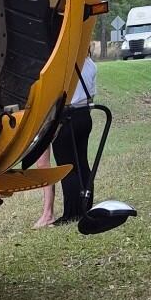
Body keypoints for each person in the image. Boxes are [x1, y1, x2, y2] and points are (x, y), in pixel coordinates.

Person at [51, 54, 97, 225]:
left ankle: (71, 213)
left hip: (66, 117)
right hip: (84, 115)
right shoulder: (90, 64)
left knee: (67, 166)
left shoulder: (65, 62)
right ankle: (86, 205)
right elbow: (91, 94)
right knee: (82, 163)